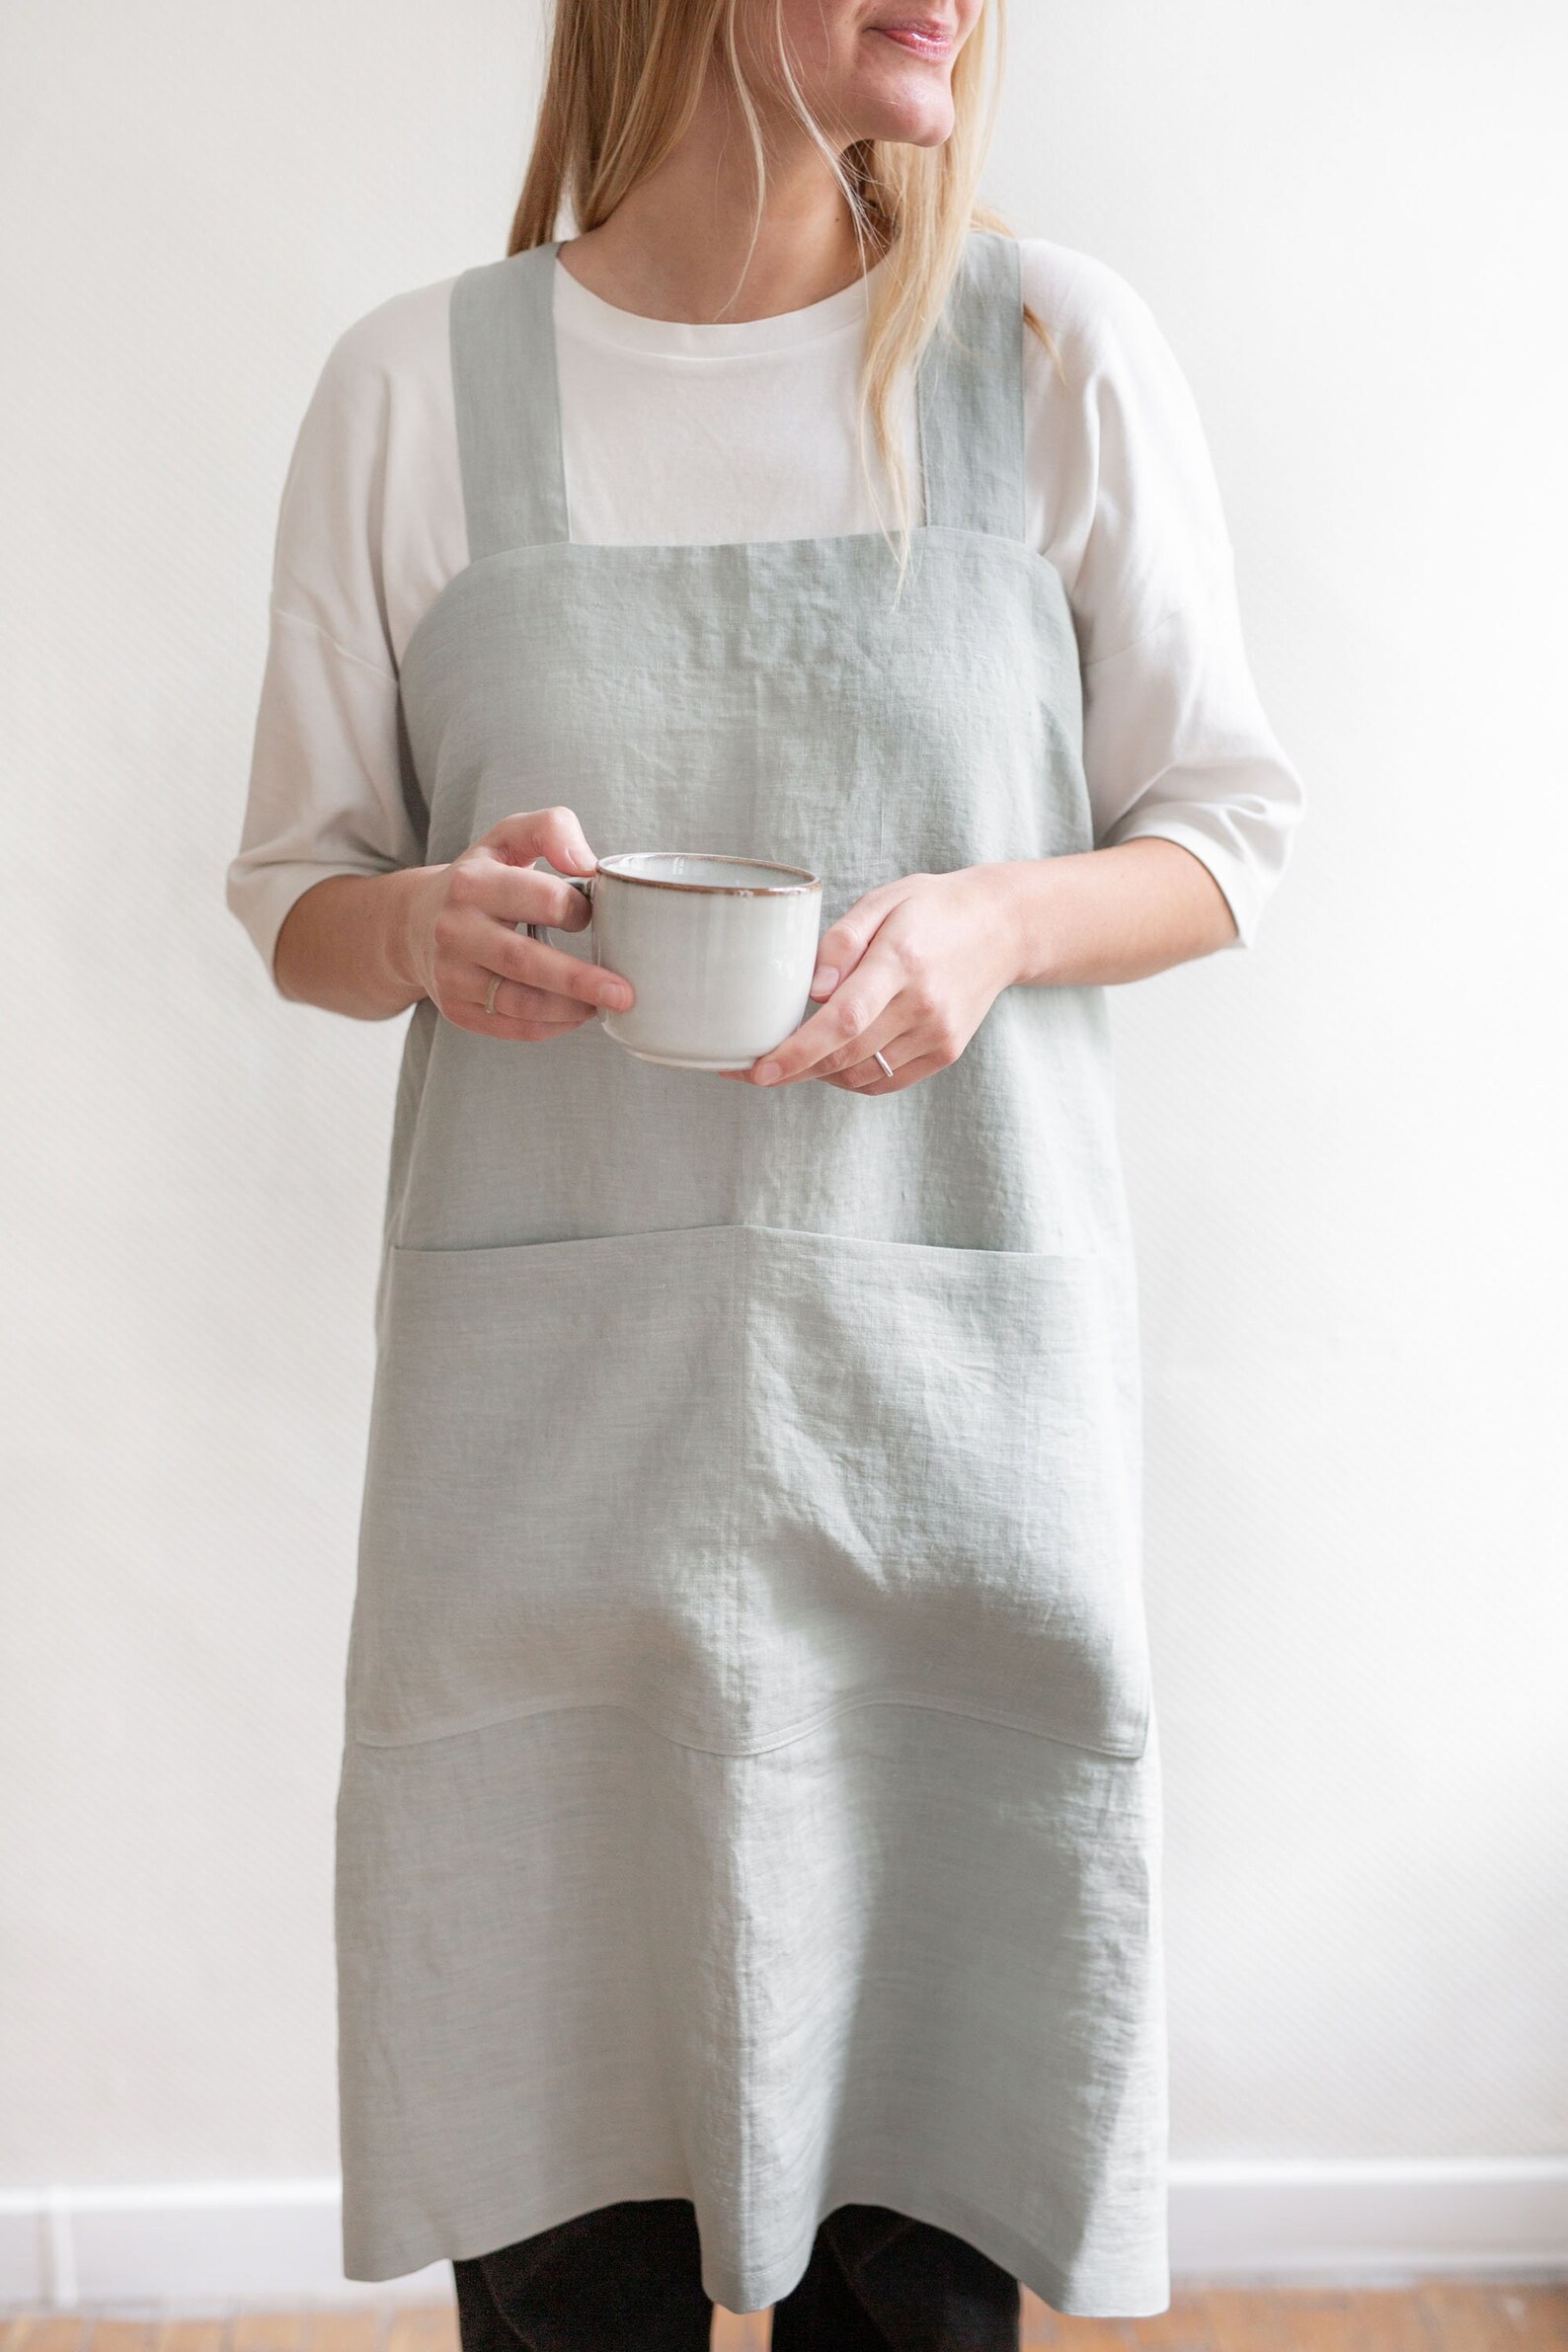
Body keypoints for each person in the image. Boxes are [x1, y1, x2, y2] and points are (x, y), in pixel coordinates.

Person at [227, 0, 1303, 2341]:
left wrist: (995, 916)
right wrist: (418, 925)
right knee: (560, 2214)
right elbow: (299, 898)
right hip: (546, 1469)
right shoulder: (415, 392)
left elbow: (1227, 833)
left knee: (922, 2235)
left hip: (944, 1448)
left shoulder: (1044, 356)